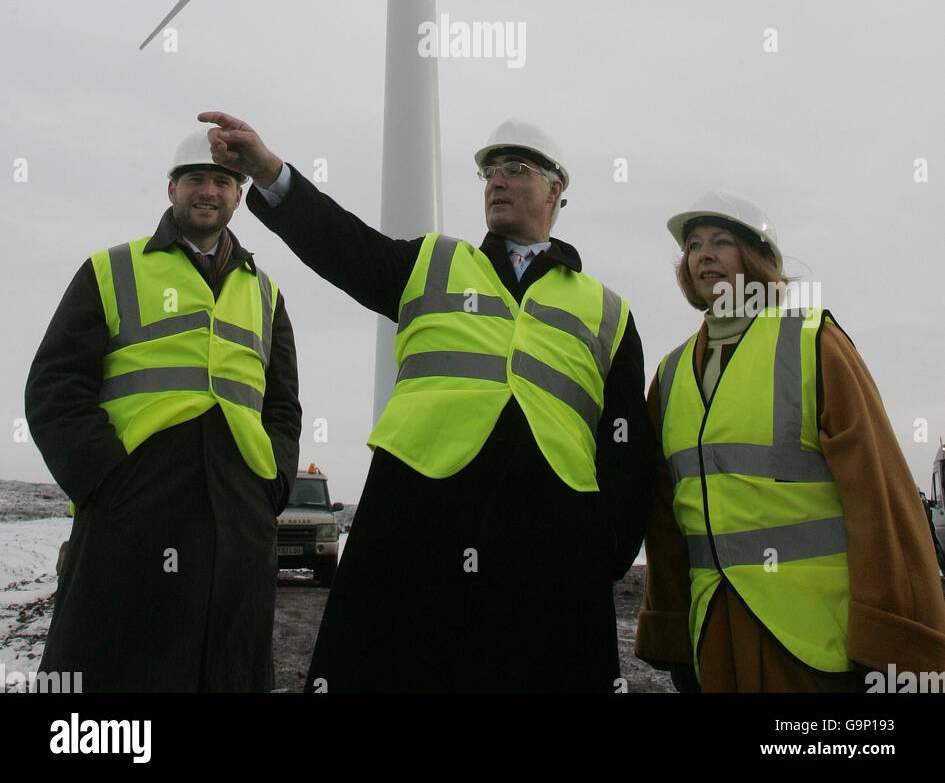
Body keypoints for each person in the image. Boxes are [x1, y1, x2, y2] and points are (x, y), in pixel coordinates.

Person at [198, 109, 656, 693]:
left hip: (548, 540)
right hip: (416, 519)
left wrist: (603, 555)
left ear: (555, 189)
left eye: (516, 169)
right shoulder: (433, 262)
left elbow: (626, 448)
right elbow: (341, 243)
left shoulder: (608, 311)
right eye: (489, 171)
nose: (496, 181)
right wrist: (269, 173)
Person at [635, 190, 945, 693]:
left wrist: (893, 641)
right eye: (693, 245)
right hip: (713, 635)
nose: (703, 255)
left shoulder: (814, 342)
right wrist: (671, 630)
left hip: (812, 641)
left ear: (757, 262)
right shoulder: (669, 375)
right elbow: (664, 516)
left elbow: (880, 496)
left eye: (721, 242)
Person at [25, 130, 302, 693]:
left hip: (238, 505)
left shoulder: (267, 295)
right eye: (196, 178)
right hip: (134, 497)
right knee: (114, 671)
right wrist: (105, 479)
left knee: (226, 668)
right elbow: (55, 387)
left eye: (222, 180)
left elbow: (283, 405)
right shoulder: (111, 270)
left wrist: (271, 482)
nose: (209, 191)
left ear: (238, 194)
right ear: (172, 188)